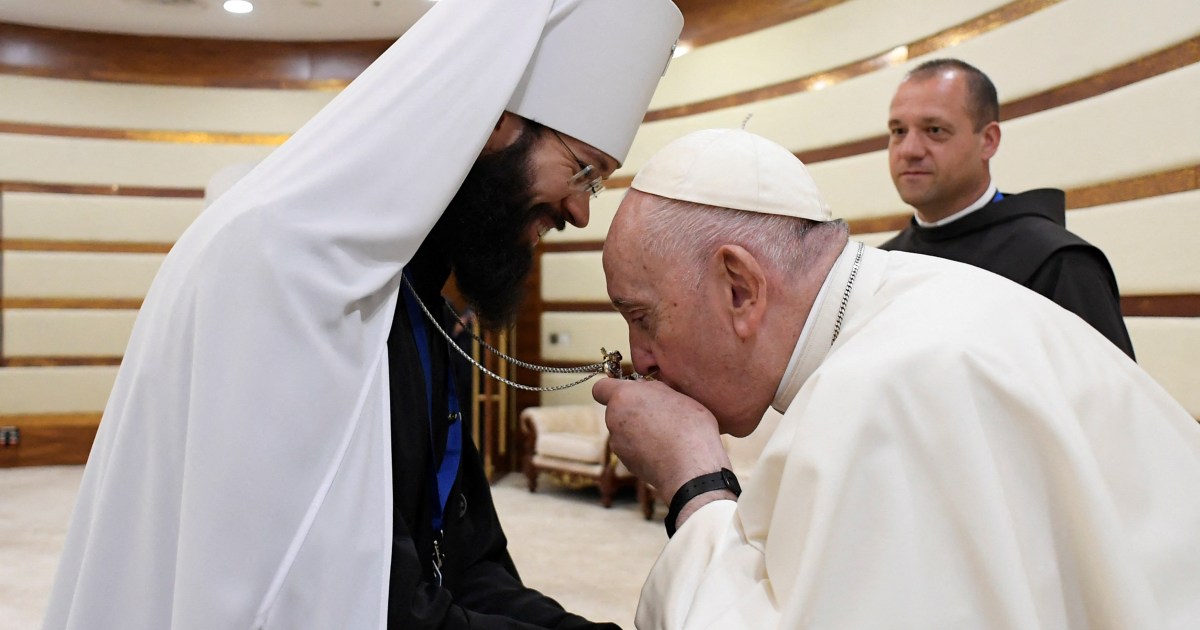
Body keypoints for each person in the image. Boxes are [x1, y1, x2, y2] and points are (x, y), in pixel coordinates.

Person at [43, 2, 683, 629]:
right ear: (494, 120)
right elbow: (345, 602)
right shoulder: (280, 269)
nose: (580, 214)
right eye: (584, 174)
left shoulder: (424, 306)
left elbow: (465, 558)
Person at [593, 128, 1200, 629]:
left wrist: (693, 478)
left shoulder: (889, 387)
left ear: (740, 287)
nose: (639, 357)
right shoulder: (912, 301)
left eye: (640, 317)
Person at [881, 58, 1136, 359]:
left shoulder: (1057, 264)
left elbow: (1110, 400)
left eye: (934, 130)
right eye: (898, 131)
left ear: (988, 141)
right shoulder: (883, 263)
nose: (909, 150)